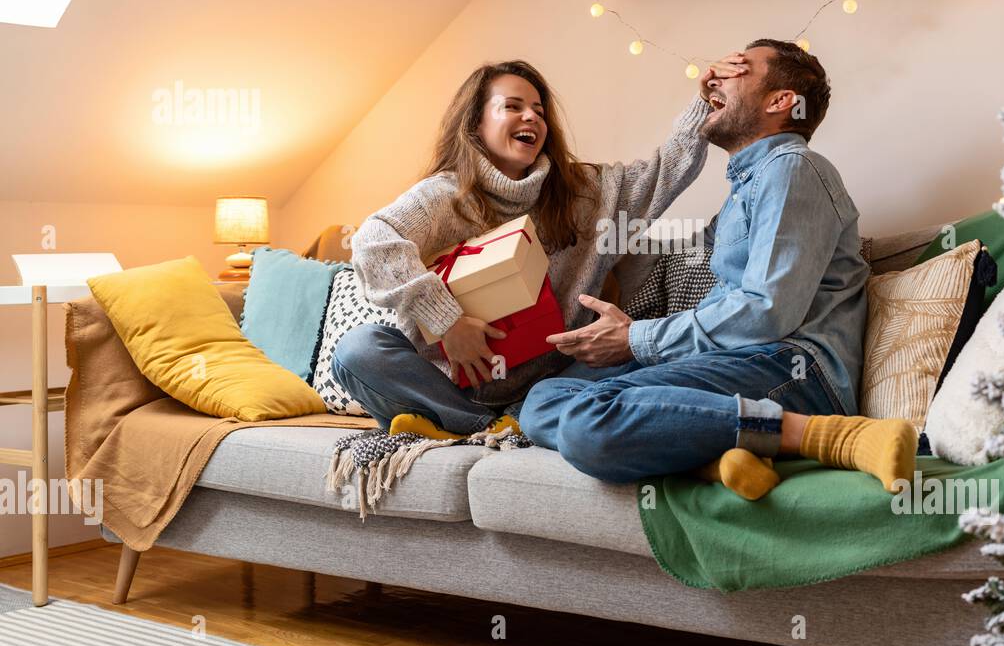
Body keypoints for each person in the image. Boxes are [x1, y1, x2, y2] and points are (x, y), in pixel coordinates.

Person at [521, 39, 917, 499]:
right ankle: (719, 452)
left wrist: (635, 339)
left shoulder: (792, 168)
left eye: (738, 69)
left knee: (587, 423)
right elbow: (677, 234)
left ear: (780, 100)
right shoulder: (746, 186)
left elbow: (767, 312)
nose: (714, 77)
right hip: (732, 362)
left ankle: (837, 438)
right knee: (544, 400)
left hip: (791, 368)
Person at [331, 57, 747, 439]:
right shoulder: (443, 196)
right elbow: (373, 241)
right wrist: (448, 322)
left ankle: (487, 423)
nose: (531, 116)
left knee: (639, 354)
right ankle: (494, 426)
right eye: (512, 106)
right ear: (475, 123)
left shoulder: (586, 193)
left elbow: (665, 173)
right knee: (356, 351)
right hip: (448, 383)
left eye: (539, 110)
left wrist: (705, 100)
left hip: (550, 383)